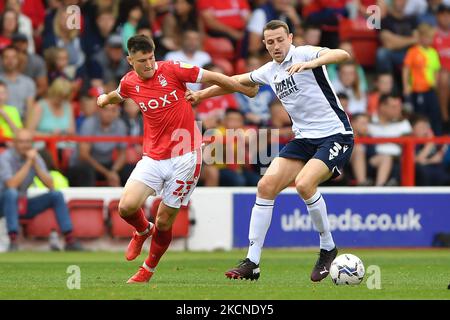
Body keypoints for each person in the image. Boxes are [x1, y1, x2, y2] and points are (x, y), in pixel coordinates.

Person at [186, 20, 352, 282]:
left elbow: (342, 54)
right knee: (265, 186)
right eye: (270, 42)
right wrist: (201, 95)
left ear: (291, 38)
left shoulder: (304, 53)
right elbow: (233, 81)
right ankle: (252, 262)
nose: (276, 46)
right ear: (264, 44)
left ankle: (328, 248)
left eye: (280, 40)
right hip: (304, 139)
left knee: (304, 184)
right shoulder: (269, 71)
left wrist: (312, 63)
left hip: (335, 135)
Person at [96, 34, 256, 283]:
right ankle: (142, 230)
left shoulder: (172, 70)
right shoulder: (129, 82)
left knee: (163, 219)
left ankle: (147, 270)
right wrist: (105, 99)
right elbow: (119, 94)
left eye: (151, 58)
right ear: (130, 61)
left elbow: (213, 76)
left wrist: (243, 89)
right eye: (142, 61)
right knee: (126, 207)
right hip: (153, 157)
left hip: (186, 156)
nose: (149, 64)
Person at [0, 129, 82, 251]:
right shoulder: (5, 157)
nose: (25, 145)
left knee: (56, 195)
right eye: (22, 142)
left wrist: (35, 164)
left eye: (28, 141)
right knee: (11, 193)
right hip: (3, 203)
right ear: (14, 143)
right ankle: (13, 240)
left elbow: (50, 184)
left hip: (22, 203)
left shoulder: (35, 157)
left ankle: (69, 240)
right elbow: (11, 185)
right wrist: (28, 162)